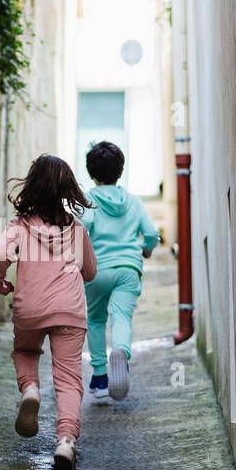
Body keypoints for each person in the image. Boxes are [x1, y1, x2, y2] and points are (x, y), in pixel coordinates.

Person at [0, 155, 97, 470]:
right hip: (69, 311)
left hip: (29, 309)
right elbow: (90, 272)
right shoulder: (76, 230)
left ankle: (30, 389)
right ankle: (65, 441)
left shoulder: (19, 226)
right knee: (68, 380)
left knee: (24, 350)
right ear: (67, 189)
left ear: (32, 185)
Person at [79, 140, 159, 402]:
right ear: (120, 170)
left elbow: (83, 227)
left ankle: (101, 377)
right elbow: (151, 233)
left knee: (96, 320)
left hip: (98, 270)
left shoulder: (89, 199)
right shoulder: (133, 202)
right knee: (122, 316)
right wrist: (146, 249)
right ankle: (121, 354)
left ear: (91, 173)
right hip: (128, 268)